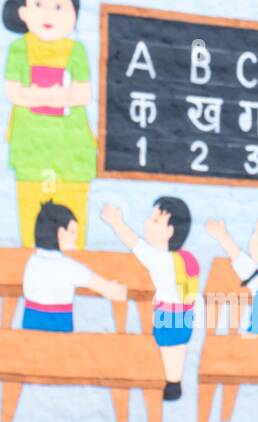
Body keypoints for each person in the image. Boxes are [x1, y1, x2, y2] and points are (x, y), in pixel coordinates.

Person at [3, 0, 96, 248]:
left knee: (73, 220)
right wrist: (59, 94)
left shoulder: (76, 50)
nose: (48, 14)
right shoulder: (18, 49)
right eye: (38, 4)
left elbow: (83, 94)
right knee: (31, 216)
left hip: (72, 151)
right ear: (22, 12)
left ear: (75, 15)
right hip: (29, 150)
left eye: (58, 7)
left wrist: (35, 94)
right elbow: (13, 93)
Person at [101, 198, 198, 401]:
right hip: (186, 314)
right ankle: (174, 384)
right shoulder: (184, 258)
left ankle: (166, 384)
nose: (147, 222)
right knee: (177, 352)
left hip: (166, 314)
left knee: (163, 351)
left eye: (154, 220)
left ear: (170, 231)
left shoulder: (159, 259)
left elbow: (134, 243)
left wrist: (116, 223)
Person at [20, 199, 125, 330]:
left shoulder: (32, 261)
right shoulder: (68, 267)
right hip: (59, 332)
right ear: (60, 233)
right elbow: (109, 290)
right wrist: (115, 288)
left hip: (29, 332)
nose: (76, 238)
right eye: (73, 232)